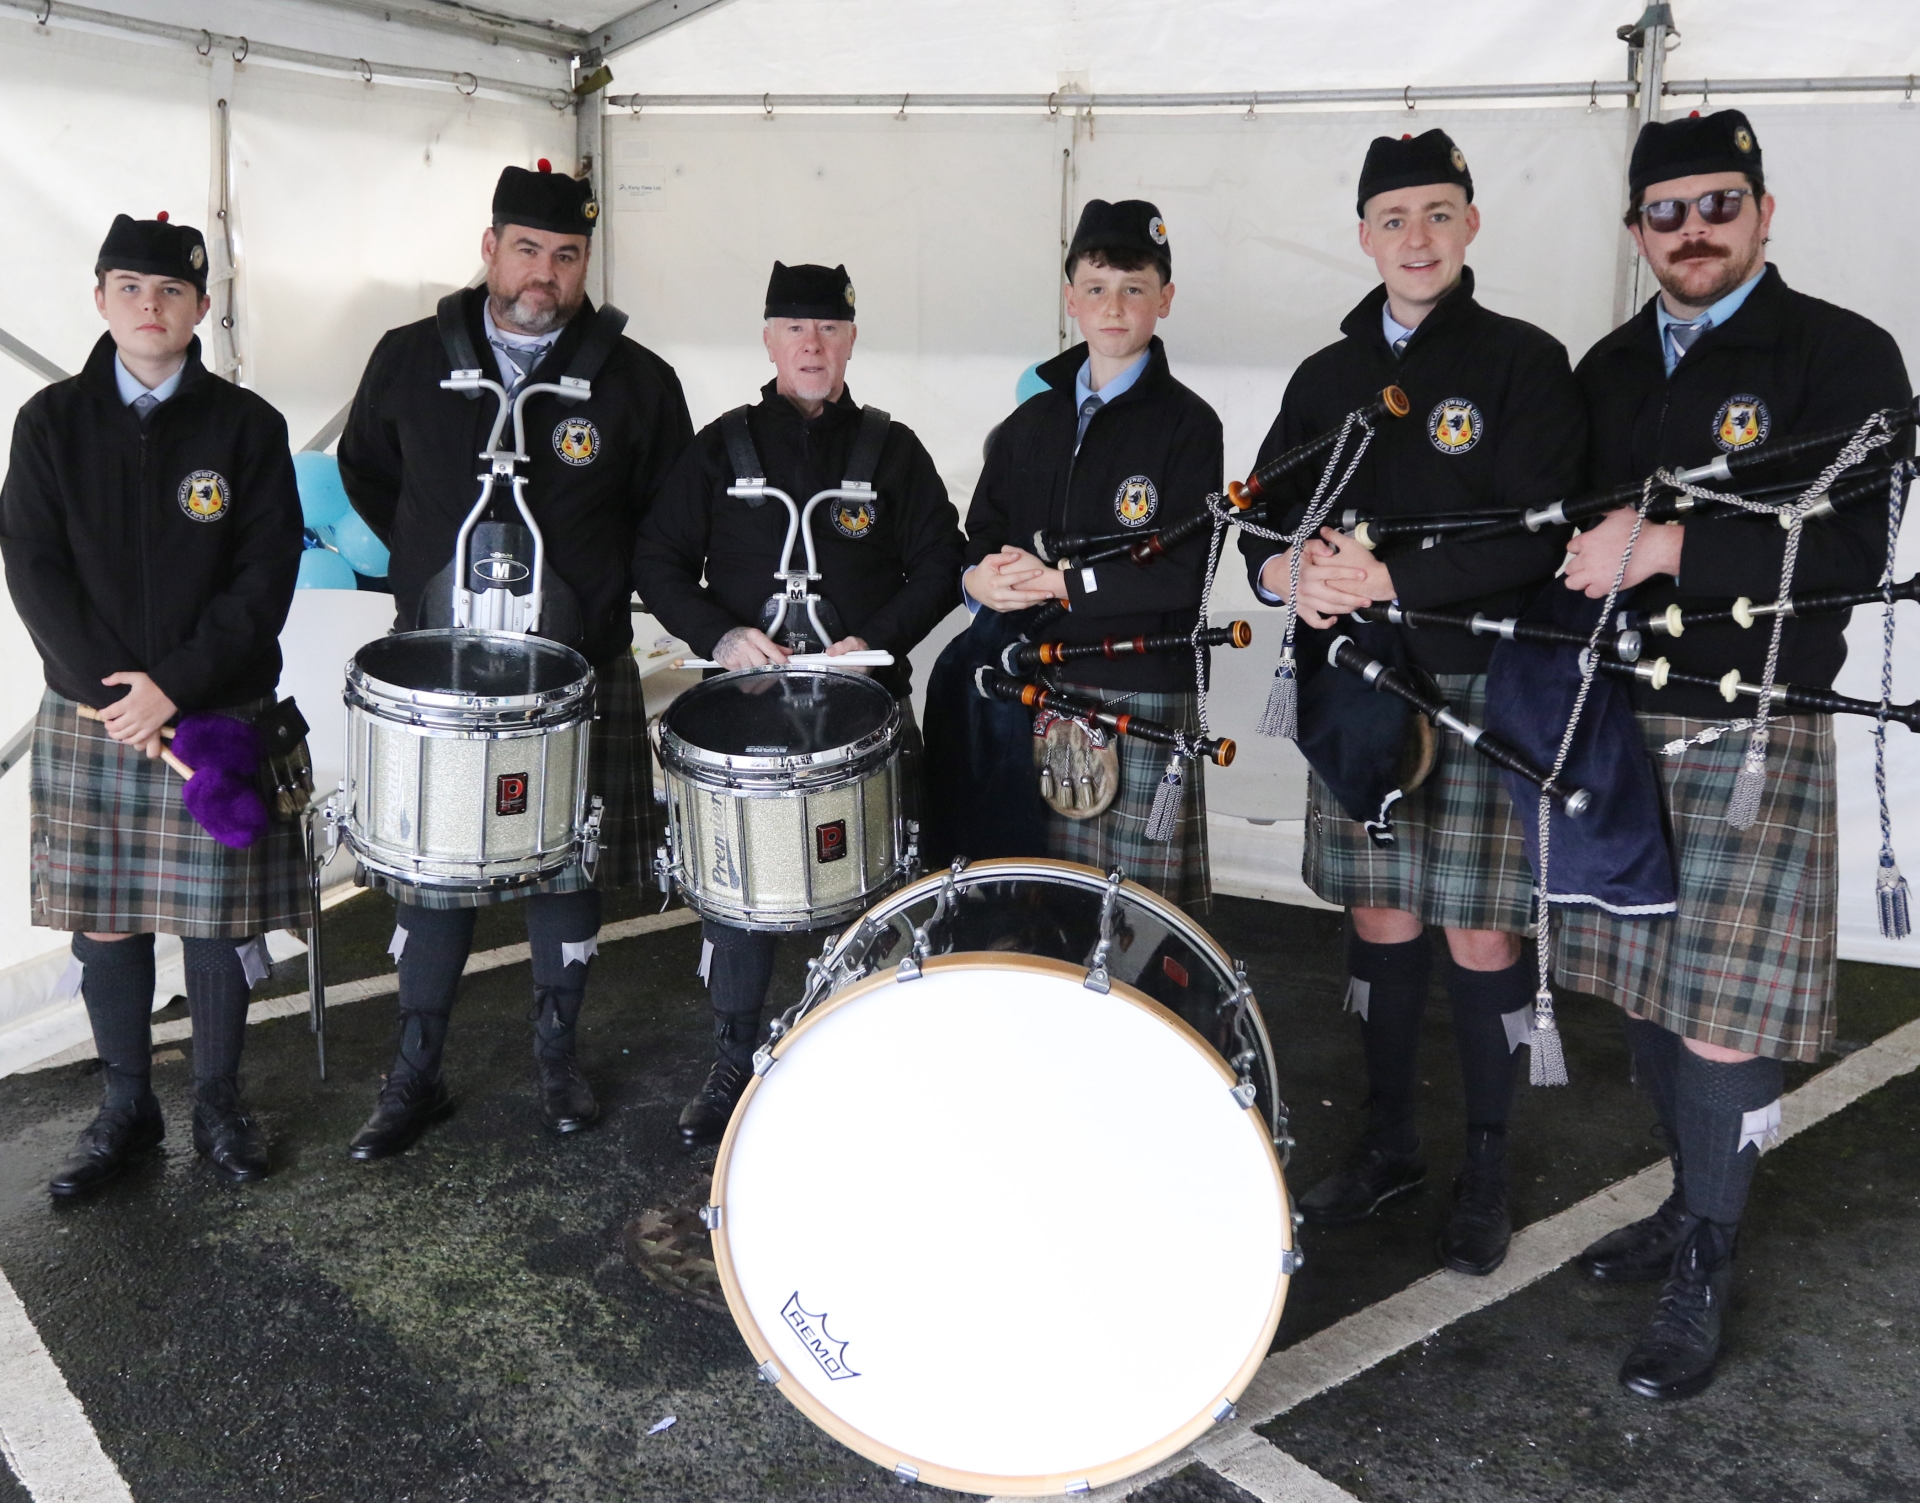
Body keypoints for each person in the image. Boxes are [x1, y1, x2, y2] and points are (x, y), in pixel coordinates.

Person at [1557, 108, 1911, 1399]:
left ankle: (1708, 1253)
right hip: (1617, 725)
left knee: (1723, 1020)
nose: (1693, 230)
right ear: (1638, 228)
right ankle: (1685, 1198)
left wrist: (1665, 552)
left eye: (1718, 205)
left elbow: (1852, 554)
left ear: (1764, 212)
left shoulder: (1842, 355)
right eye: (1668, 211)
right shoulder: (1604, 370)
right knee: (1650, 995)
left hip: (1753, 725)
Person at [1238, 131, 1586, 1274]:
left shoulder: (1525, 362)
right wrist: (1285, 574)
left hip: (1478, 680)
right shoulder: (1324, 375)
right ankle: (1390, 1144)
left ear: (1472, 224)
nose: (1417, 238)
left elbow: (1542, 532)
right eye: (1394, 219)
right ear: (1364, 236)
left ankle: (1485, 1160)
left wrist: (1390, 577)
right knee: (1381, 917)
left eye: (1439, 214)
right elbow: (1262, 518)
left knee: (1482, 928)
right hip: (1354, 685)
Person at [338, 160, 693, 1158]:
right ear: (490, 248)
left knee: (566, 857)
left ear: (586, 264)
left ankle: (556, 1053)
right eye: (528, 249)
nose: (545, 273)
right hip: (442, 670)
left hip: (576, 666)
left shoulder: (638, 380)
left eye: (567, 256)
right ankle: (416, 1071)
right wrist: (425, 557)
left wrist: (594, 577)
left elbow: (668, 512)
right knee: (433, 866)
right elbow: (370, 472)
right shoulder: (409, 358)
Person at [1, 213, 305, 1193]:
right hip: (94, 719)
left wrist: (173, 686)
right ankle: (126, 1108)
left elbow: (263, 582)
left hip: (212, 712)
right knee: (109, 919)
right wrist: (113, 694)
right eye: (129, 287)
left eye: (170, 290)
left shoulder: (247, 427)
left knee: (216, 921)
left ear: (201, 307)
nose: (149, 305)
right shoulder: (49, 422)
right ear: (99, 299)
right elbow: (35, 568)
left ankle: (218, 1102)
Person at [635, 261, 964, 1147]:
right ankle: (734, 1058)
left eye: (829, 330)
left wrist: (871, 640)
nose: (811, 345)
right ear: (770, 339)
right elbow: (658, 560)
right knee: (741, 896)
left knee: (875, 886)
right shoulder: (719, 447)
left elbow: (943, 561)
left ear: (852, 340)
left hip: (864, 712)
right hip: (744, 714)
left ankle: (857, 1049)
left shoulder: (893, 451)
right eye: (794, 329)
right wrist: (720, 635)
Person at [960, 199, 1223, 909]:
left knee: (1140, 913)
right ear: (1071, 297)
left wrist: (1063, 582)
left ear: (1164, 300)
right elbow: (982, 532)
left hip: (1141, 681)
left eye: (1136, 287)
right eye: (1098, 287)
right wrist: (978, 577)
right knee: (1041, 900)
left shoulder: (1190, 426)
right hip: (1032, 691)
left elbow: (1183, 572)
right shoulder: (1028, 423)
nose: (1115, 307)